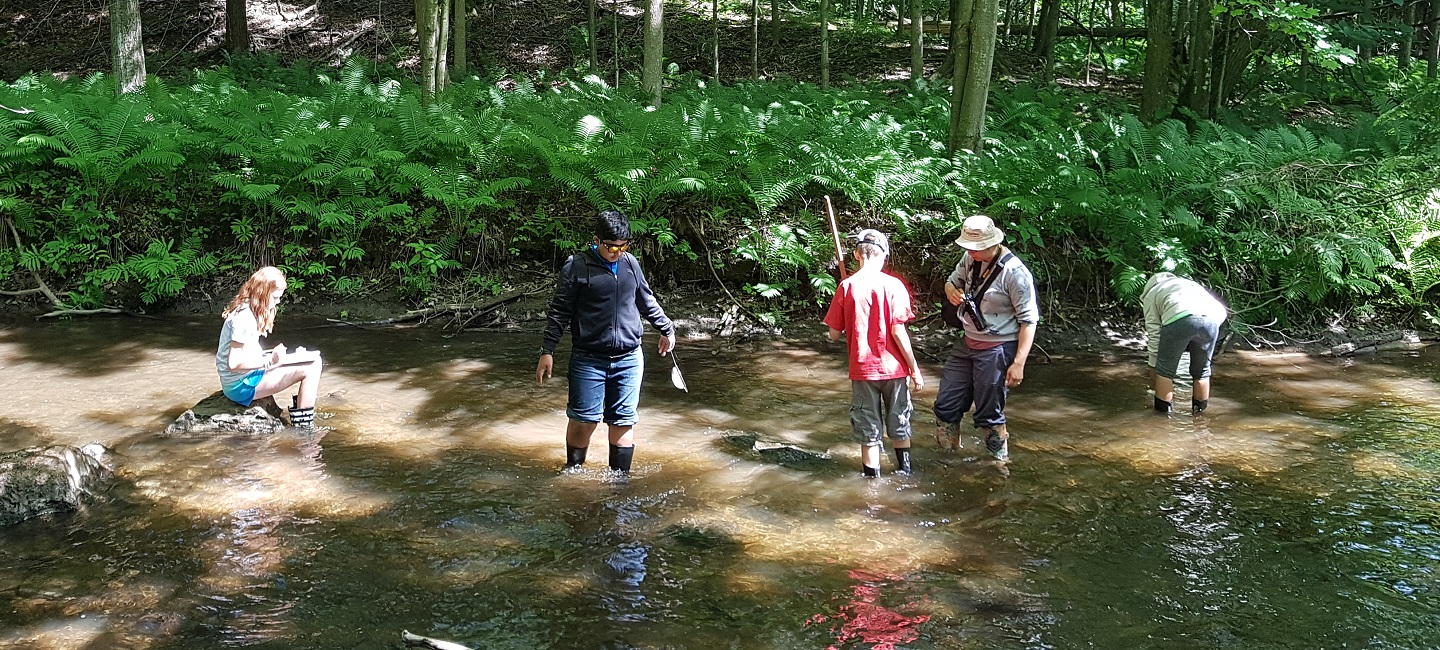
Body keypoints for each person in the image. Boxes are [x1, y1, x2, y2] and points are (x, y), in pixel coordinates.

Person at [537, 210, 677, 474]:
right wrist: (548, 350)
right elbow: (560, 312)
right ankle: (573, 471)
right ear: (596, 240)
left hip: (629, 357)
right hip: (588, 358)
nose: (617, 251)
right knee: (583, 421)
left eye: (624, 246)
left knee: (623, 422)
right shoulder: (576, 266)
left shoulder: (630, 264)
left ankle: (619, 481)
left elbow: (646, 300)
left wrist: (666, 329)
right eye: (612, 246)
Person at [934, 215, 1039, 461]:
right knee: (946, 405)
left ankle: (997, 467)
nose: (970, 252)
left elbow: (1028, 320)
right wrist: (951, 291)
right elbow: (952, 281)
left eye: (975, 249)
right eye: (968, 248)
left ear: (991, 244)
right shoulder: (969, 259)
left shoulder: (1015, 273)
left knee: (989, 413)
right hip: (967, 343)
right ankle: (947, 461)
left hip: (998, 348)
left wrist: (1019, 363)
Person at [823, 229, 924, 478]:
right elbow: (898, 331)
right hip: (895, 369)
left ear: (857, 254)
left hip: (863, 370)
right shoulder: (894, 285)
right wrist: (914, 368)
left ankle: (872, 483)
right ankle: (906, 473)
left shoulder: (846, 286)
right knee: (899, 423)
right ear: (884, 256)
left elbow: (834, 335)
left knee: (868, 430)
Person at [216, 266, 324, 428]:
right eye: (275, 297)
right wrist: (269, 362)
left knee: (310, 359)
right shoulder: (244, 318)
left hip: (247, 377)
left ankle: (302, 420)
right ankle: (304, 429)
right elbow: (233, 364)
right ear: (263, 293)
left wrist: (281, 359)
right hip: (241, 386)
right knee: (312, 367)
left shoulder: (248, 309)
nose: (278, 302)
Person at [1140, 272, 1227, 414]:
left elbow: (1154, 334)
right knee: (1202, 372)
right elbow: (1221, 311)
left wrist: (1153, 366)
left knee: (1165, 372)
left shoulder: (1151, 294)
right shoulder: (1190, 285)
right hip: (1211, 320)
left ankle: (1163, 418)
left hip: (1178, 319)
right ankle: (1200, 415)